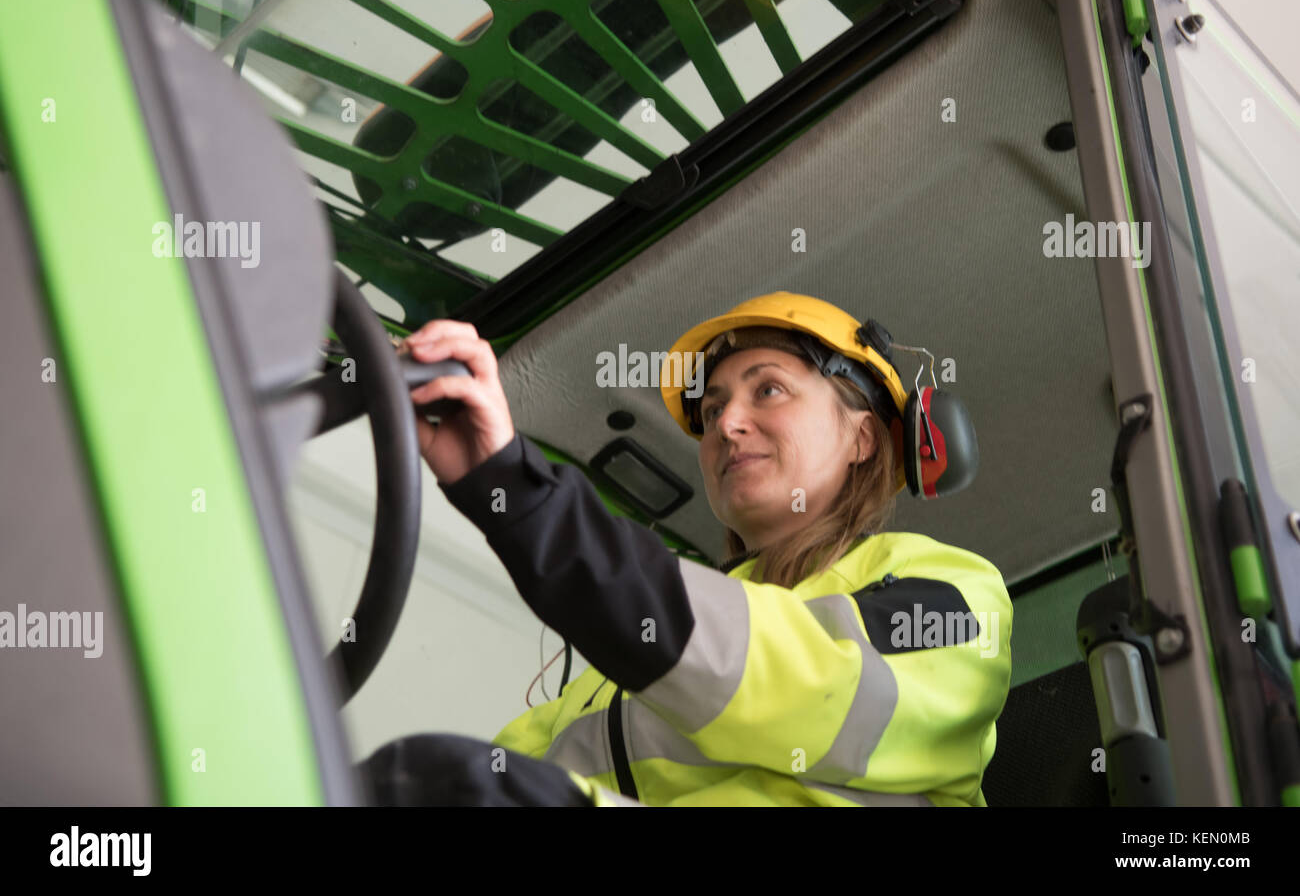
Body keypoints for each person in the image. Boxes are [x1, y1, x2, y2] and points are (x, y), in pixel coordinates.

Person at [359, 292, 1013, 806]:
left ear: (863, 437)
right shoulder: (612, 681)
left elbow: (788, 680)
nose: (725, 423)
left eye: (769, 389)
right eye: (713, 407)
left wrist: (520, 493)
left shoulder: (954, 595)